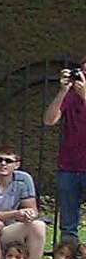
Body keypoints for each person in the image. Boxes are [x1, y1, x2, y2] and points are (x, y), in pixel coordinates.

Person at [44, 59, 86, 243]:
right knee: (68, 224)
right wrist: (63, 90)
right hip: (69, 165)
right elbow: (49, 120)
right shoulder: (70, 95)